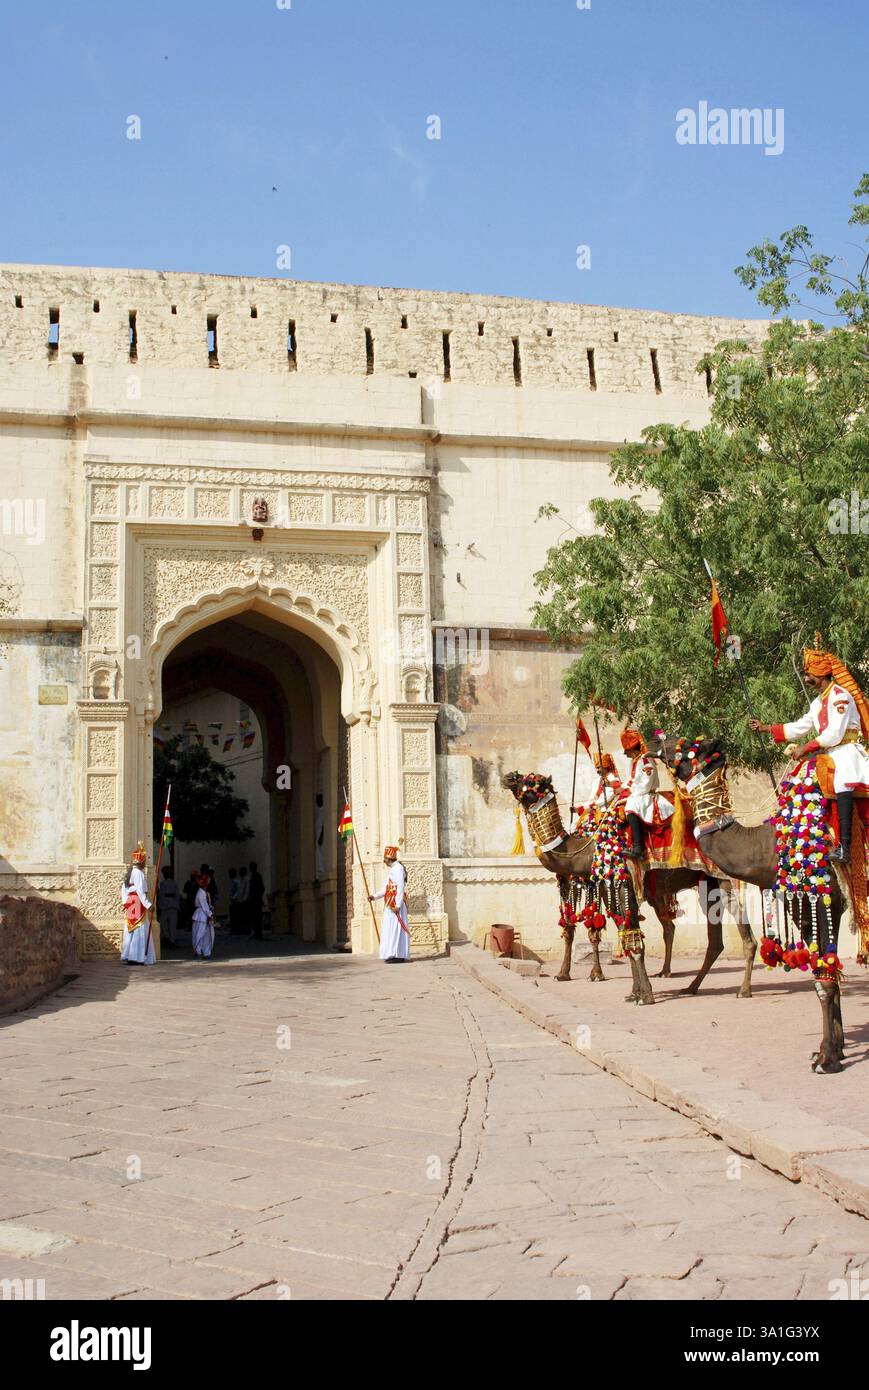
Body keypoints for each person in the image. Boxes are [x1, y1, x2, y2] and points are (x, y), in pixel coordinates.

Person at [751, 642, 869, 862]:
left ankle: (845, 846)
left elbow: (835, 733)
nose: (806, 679)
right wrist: (768, 728)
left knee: (842, 782)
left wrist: (806, 747)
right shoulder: (818, 702)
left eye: (809, 674)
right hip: (829, 754)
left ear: (822, 673)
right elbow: (801, 725)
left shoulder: (840, 696)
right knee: (800, 780)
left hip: (847, 753)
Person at [621, 727, 673, 859]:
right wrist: (622, 790)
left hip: (646, 794)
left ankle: (639, 847)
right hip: (638, 794)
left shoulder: (645, 761)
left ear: (632, 749)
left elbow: (645, 785)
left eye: (626, 750)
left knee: (631, 806)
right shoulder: (634, 762)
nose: (625, 754)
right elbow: (631, 781)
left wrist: (629, 794)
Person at [369, 845, 410, 963]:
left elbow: (400, 887)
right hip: (390, 903)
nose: (384, 861)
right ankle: (391, 953)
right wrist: (375, 896)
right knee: (390, 928)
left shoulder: (398, 869)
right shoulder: (393, 869)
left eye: (385, 858)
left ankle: (397, 954)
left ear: (389, 858)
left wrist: (397, 905)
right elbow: (387, 888)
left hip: (395, 905)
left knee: (396, 928)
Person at [121, 843, 156, 965]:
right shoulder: (139, 874)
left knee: (132, 927)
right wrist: (148, 905)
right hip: (138, 902)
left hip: (131, 902)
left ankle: (129, 954)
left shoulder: (129, 873)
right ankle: (137, 957)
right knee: (139, 927)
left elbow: (124, 889)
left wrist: (125, 902)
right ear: (141, 862)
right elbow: (141, 891)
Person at [192, 873, 215, 960]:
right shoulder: (201, 893)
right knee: (200, 934)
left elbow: (208, 905)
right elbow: (204, 906)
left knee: (207, 935)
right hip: (201, 915)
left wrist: (211, 912)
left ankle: (206, 952)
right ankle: (198, 951)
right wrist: (210, 914)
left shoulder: (205, 893)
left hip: (205, 915)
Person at [157, 865, 179, 948]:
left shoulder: (163, 884)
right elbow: (177, 896)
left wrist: (160, 905)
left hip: (165, 906)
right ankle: (171, 940)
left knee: (163, 922)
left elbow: (161, 895)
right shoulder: (174, 883)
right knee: (172, 924)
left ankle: (167, 937)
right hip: (173, 906)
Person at [248, 861, 265, 940]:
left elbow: (260, 888)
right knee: (255, 917)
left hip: (256, 900)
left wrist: (257, 896)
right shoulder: (255, 876)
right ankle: (257, 933)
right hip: (255, 900)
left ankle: (258, 933)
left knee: (256, 917)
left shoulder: (256, 876)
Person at [236, 864, 250, 933]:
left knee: (245, 916)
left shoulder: (247, 880)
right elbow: (239, 891)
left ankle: (246, 929)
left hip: (244, 901)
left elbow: (247, 891)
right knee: (241, 916)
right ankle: (241, 929)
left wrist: (244, 900)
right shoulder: (240, 880)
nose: (240, 872)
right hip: (240, 901)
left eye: (241, 871)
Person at [227, 867, 240, 932]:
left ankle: (234, 928)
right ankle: (233, 928)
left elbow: (238, 891)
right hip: (231, 900)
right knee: (232, 915)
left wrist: (234, 898)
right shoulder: (232, 881)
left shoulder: (236, 882)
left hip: (234, 901)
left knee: (234, 915)